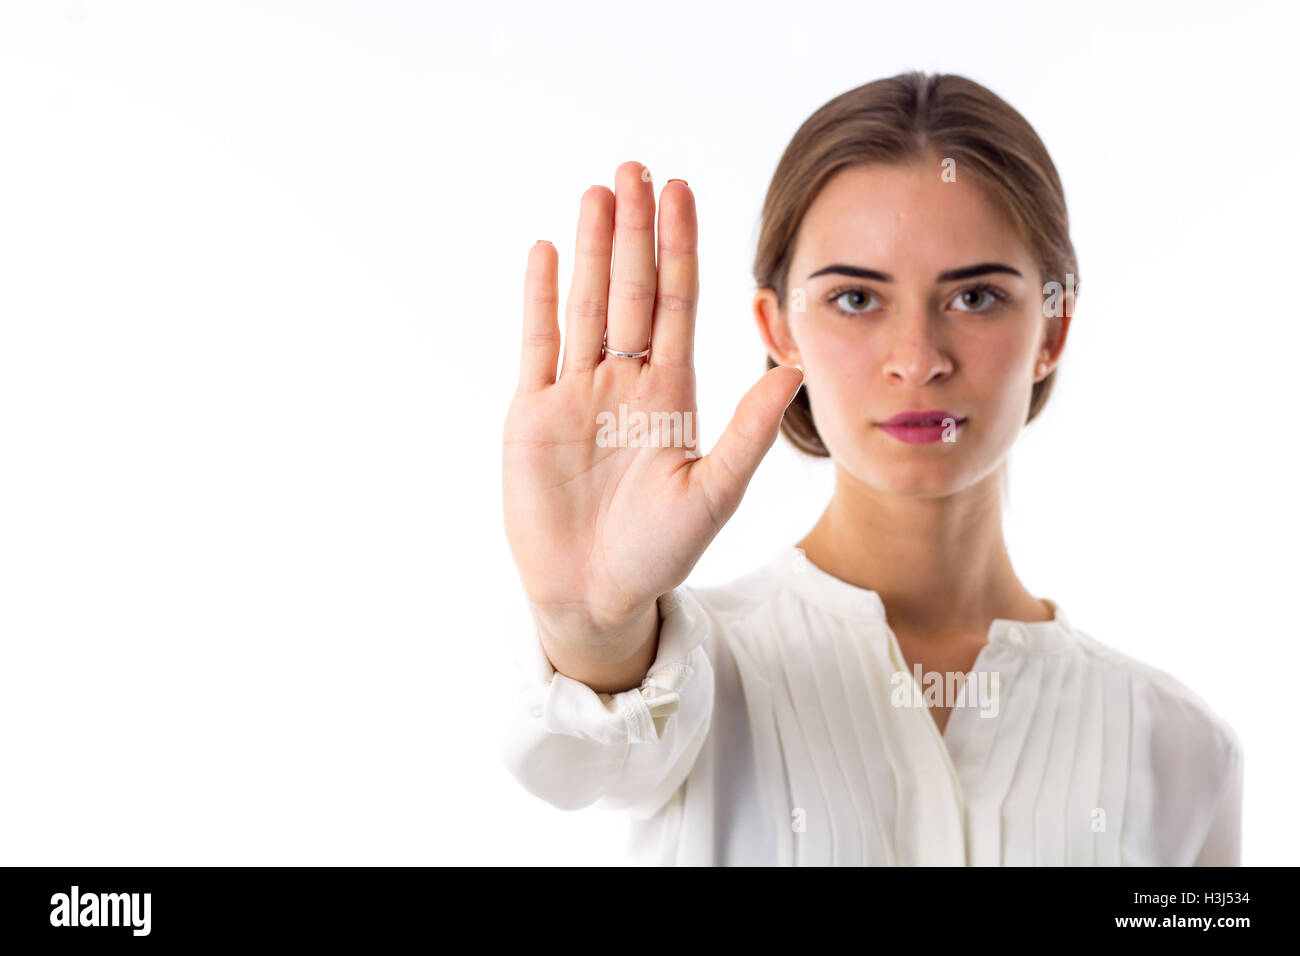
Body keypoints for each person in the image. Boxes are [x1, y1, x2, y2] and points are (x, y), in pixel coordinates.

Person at [498, 71, 1243, 866]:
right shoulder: (693, 681)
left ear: (1052, 330)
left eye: (977, 296)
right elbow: (582, 755)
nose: (918, 361)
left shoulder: (1183, 752)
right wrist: (592, 624)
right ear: (779, 330)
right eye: (856, 298)